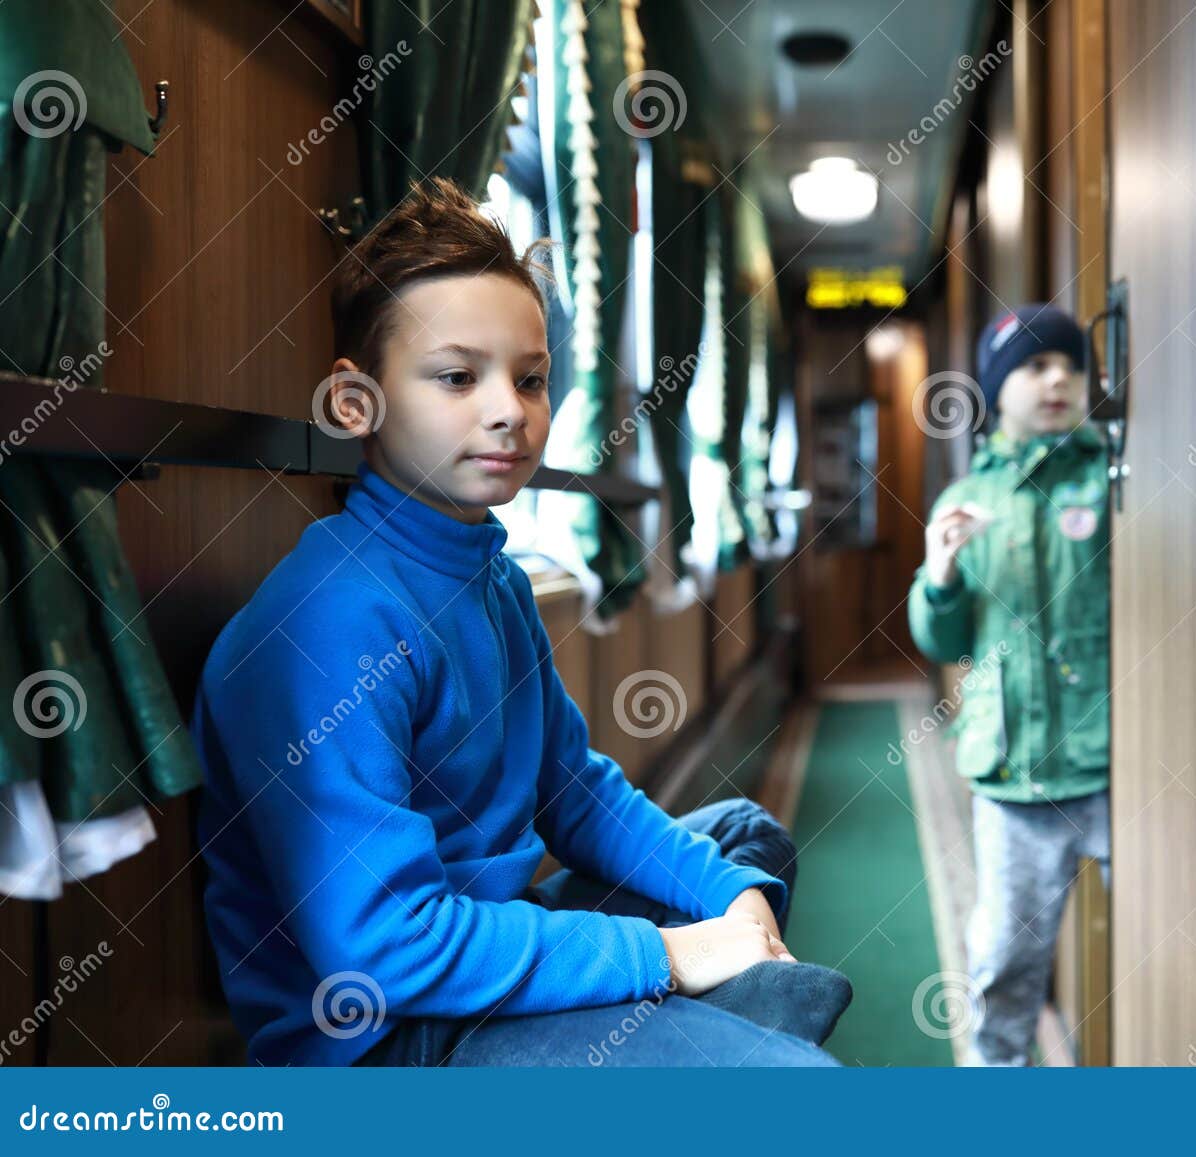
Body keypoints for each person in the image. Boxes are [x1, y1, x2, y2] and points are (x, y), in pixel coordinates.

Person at [189, 177, 849, 1067]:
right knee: (795, 1078)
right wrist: (667, 953)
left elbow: (572, 790)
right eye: (458, 376)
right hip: (396, 1034)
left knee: (741, 846)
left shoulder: (490, 578)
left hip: (494, 933)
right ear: (357, 403)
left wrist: (728, 904)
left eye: (530, 378)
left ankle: (719, 1018)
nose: (510, 409)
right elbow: (384, 948)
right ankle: (739, 1035)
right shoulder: (329, 622)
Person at [908, 303, 1110, 1066]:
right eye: (1034, 365)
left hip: (1116, 760)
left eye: (1070, 364)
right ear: (998, 389)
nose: (1057, 377)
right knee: (1002, 962)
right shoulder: (969, 499)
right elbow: (942, 639)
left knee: (1179, 930)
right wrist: (941, 572)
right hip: (1014, 773)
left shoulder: (1114, 473)